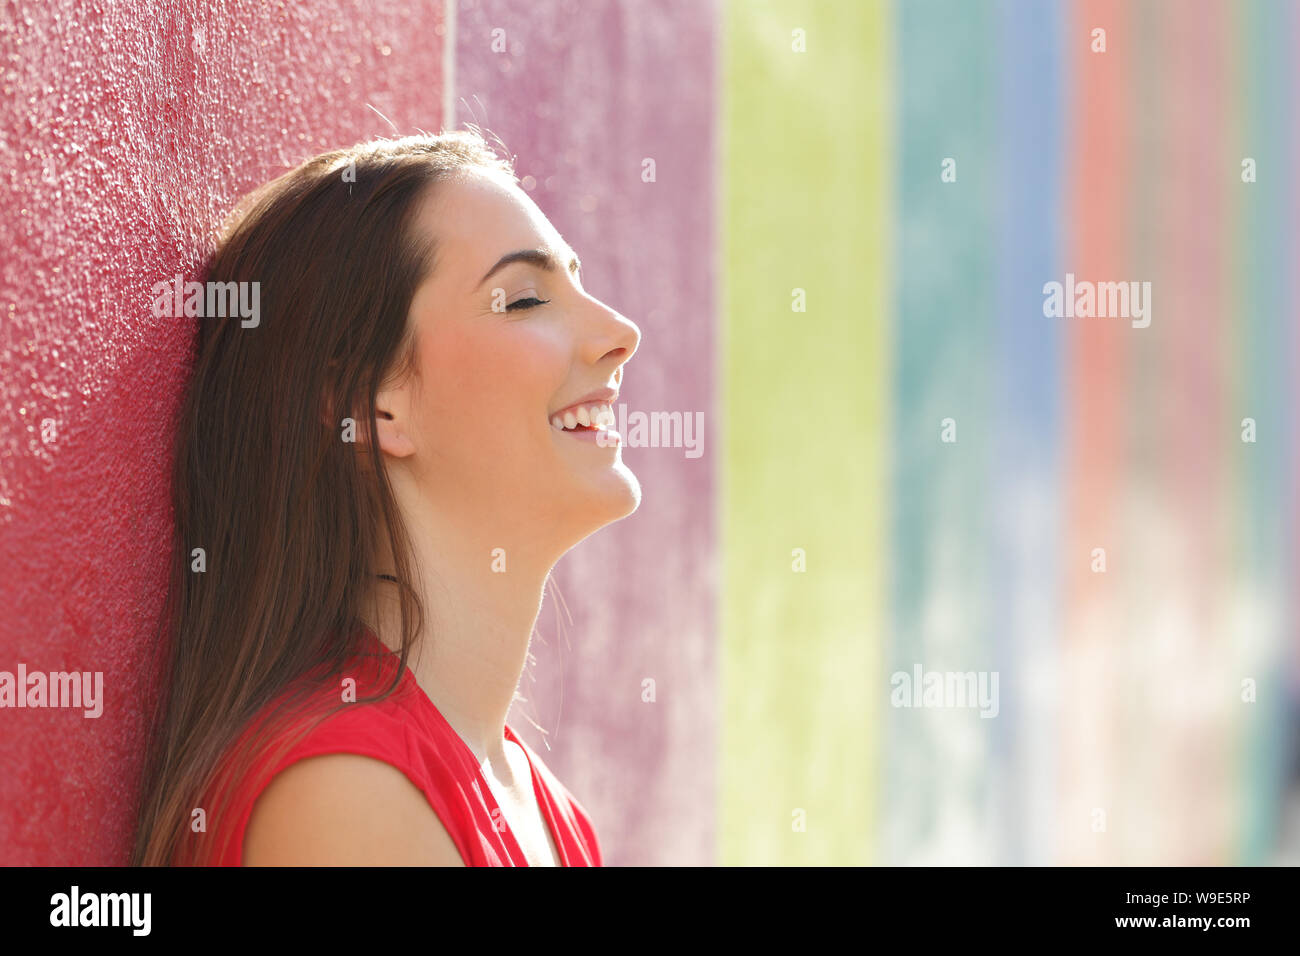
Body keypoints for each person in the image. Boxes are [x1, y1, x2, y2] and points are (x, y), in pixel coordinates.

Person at [130, 128, 641, 866]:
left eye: (578, 283)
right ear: (372, 404)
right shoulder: (348, 794)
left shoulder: (547, 812)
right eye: (525, 299)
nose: (619, 332)